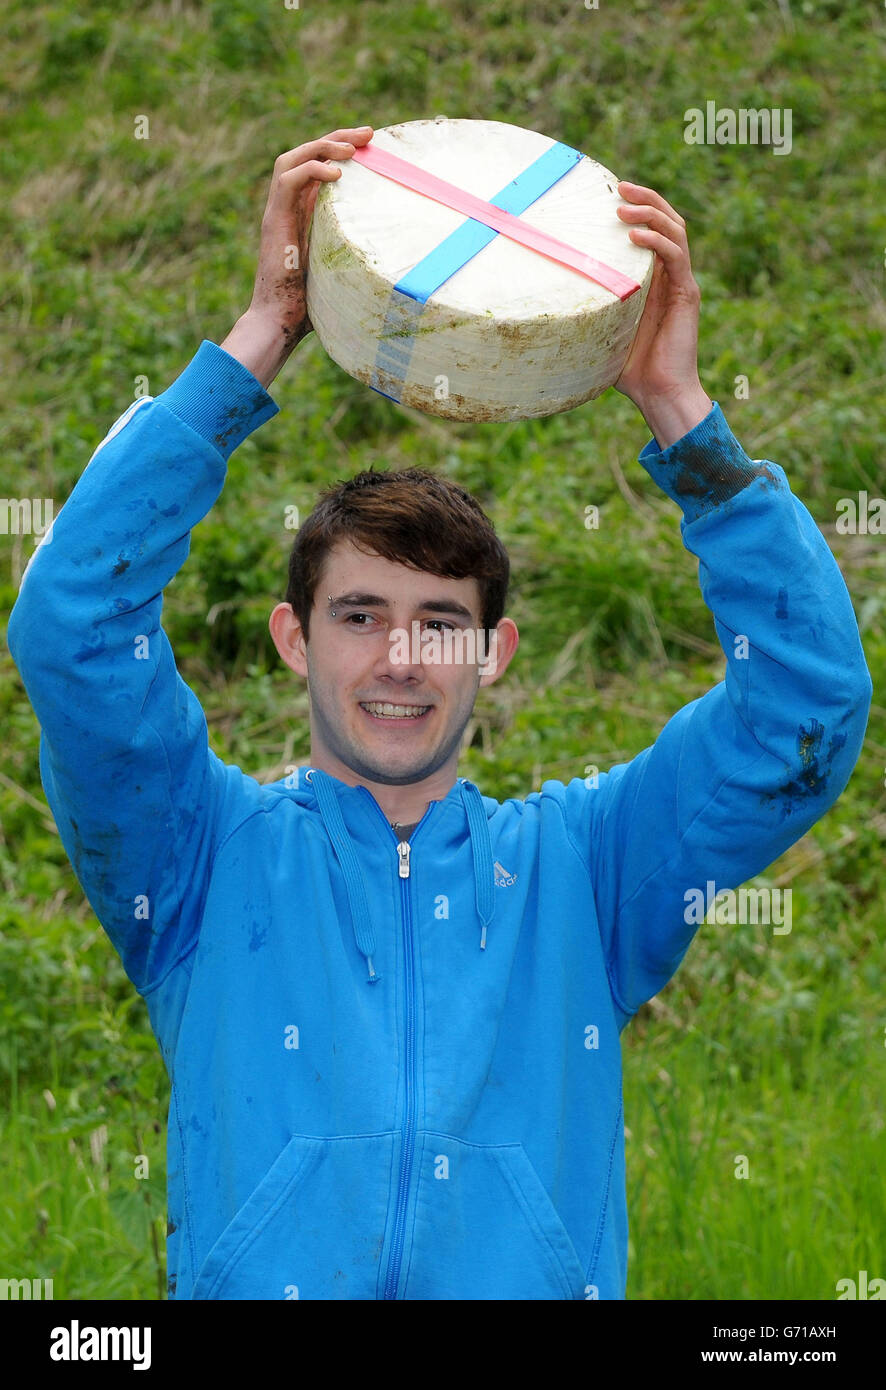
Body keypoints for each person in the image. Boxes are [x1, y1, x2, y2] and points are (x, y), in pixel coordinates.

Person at [8, 125, 871, 1301]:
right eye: (359, 614)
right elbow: (71, 626)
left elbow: (803, 713)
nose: (402, 657)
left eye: (440, 622)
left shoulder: (587, 867)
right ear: (291, 639)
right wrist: (262, 334)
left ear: (494, 654)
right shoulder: (197, 857)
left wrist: (680, 411)